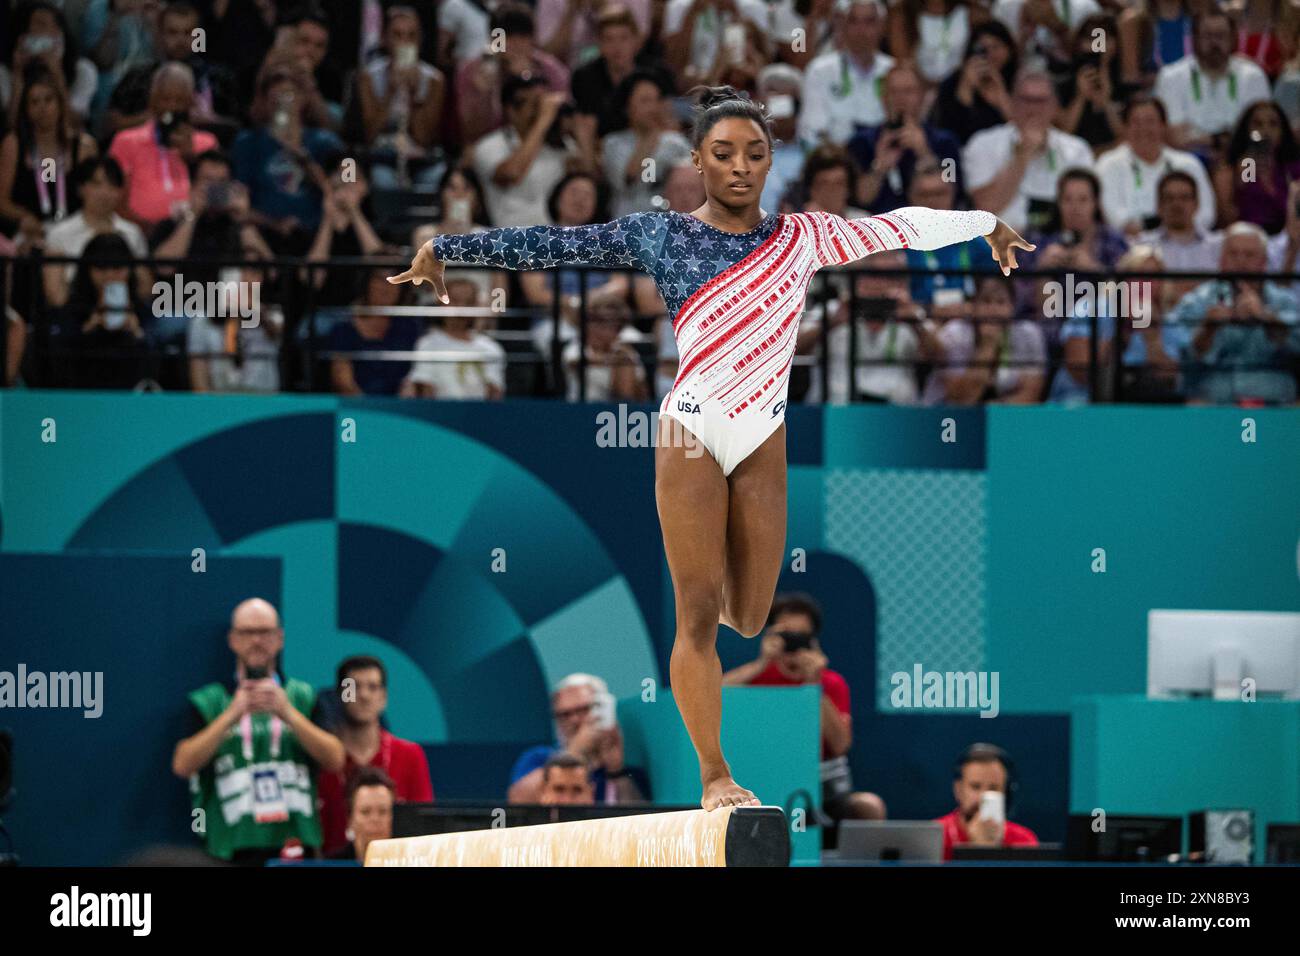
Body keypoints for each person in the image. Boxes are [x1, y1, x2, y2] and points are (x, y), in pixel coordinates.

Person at [390, 84, 1031, 809]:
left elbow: (900, 227)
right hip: (692, 425)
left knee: (751, 617)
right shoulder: (661, 234)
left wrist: (985, 223)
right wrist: (445, 246)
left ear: (770, 161)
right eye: (722, 154)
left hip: (762, 432)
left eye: (755, 154)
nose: (739, 168)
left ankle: (716, 574)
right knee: (698, 615)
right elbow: (551, 245)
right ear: (697, 159)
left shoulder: (803, 237)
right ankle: (714, 774)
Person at [170, 597, 346, 865]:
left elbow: (335, 758)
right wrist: (230, 716)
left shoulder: (305, 697)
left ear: (280, 638)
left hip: (295, 845)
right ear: (232, 639)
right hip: (230, 846)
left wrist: (288, 714)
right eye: (247, 632)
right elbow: (183, 764)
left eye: (265, 632)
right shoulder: (209, 701)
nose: (256, 641)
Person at [723, 593, 886, 824]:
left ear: (813, 639)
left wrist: (813, 685)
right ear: (771, 635)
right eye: (786, 634)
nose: (793, 642)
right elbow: (713, 696)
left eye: (801, 636)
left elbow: (840, 745)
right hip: (761, 781)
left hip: (820, 789)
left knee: (869, 807)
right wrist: (761, 663)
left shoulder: (829, 683)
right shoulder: (755, 677)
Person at [316, 655, 433, 857]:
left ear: (383, 697)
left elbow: (424, 829)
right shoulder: (322, 758)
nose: (364, 695)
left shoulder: (410, 754)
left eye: (373, 687)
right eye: (354, 687)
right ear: (341, 696)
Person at [1172, 222, 1300, 404]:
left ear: (1264, 262)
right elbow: (1178, 353)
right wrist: (1208, 329)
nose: (1241, 261)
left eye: (1249, 255)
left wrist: (1267, 318)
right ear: (1221, 261)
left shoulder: (1284, 301)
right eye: (1233, 254)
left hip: (1275, 404)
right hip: (1213, 404)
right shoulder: (1198, 300)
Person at [963, 66, 1093, 235]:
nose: (1033, 109)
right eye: (1026, 100)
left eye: (1041, 101)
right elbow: (985, 206)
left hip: (1059, 246)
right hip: (999, 247)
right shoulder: (983, 144)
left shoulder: (1077, 150)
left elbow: (1087, 215)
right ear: (1013, 103)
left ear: (1054, 106)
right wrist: (1021, 156)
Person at [507, 673, 649, 805]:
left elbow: (638, 819)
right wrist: (576, 751)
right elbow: (518, 800)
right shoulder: (538, 758)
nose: (574, 720)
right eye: (565, 714)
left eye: (583, 710)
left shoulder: (628, 764)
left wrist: (616, 770)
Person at [0, 63, 98, 241]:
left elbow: (94, 196)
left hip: (75, 231)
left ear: (60, 104)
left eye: (48, 100)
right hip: (29, 233)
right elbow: (2, 201)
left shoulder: (84, 146)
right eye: (34, 102)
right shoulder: (13, 144)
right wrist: (23, 217)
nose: (42, 108)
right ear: (26, 109)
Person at [1094, 96, 1216, 238]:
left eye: (1150, 121)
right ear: (1125, 127)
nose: (1143, 128)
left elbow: (1207, 214)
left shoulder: (1187, 164)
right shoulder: (1108, 164)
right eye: (1136, 122)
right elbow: (1115, 218)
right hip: (1131, 247)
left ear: (1163, 126)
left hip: (1184, 240)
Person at [1153, 10, 1270, 154]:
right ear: (1195, 39)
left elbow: (1259, 134)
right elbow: (1175, 137)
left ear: (1233, 39)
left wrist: (1206, 139)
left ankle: (1248, 177)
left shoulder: (1253, 76)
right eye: (1207, 36)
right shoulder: (1170, 76)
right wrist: (1224, 138)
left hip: (1242, 157)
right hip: (1188, 159)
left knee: (1251, 169)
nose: (1214, 43)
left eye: (1221, 36)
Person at [42, 156, 148, 308]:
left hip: (127, 311)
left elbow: (145, 291)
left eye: (112, 185)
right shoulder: (59, 234)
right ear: (81, 188)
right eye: (96, 184)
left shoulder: (132, 233)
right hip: (74, 314)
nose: (104, 192)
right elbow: (55, 297)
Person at [797, 0, 895, 150]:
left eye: (869, 22)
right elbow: (812, 130)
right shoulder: (820, 70)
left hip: (886, 155)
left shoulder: (893, 70)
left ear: (882, 27)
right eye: (853, 21)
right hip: (837, 160)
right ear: (842, 27)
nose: (861, 30)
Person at [407, 277, 508, 400]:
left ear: (476, 305)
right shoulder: (428, 344)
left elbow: (495, 394)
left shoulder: (491, 348)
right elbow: (425, 389)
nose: (461, 308)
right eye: (454, 301)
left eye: (468, 302)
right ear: (440, 303)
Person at [935, 743, 1039, 861]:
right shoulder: (933, 837)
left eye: (993, 788)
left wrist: (990, 851)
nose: (982, 798)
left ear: (1005, 793)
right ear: (958, 790)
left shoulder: (1022, 841)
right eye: (975, 786)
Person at [326, 767, 395, 862]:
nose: (375, 819)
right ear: (350, 819)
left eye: (383, 811)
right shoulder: (332, 864)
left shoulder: (409, 860)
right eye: (365, 812)